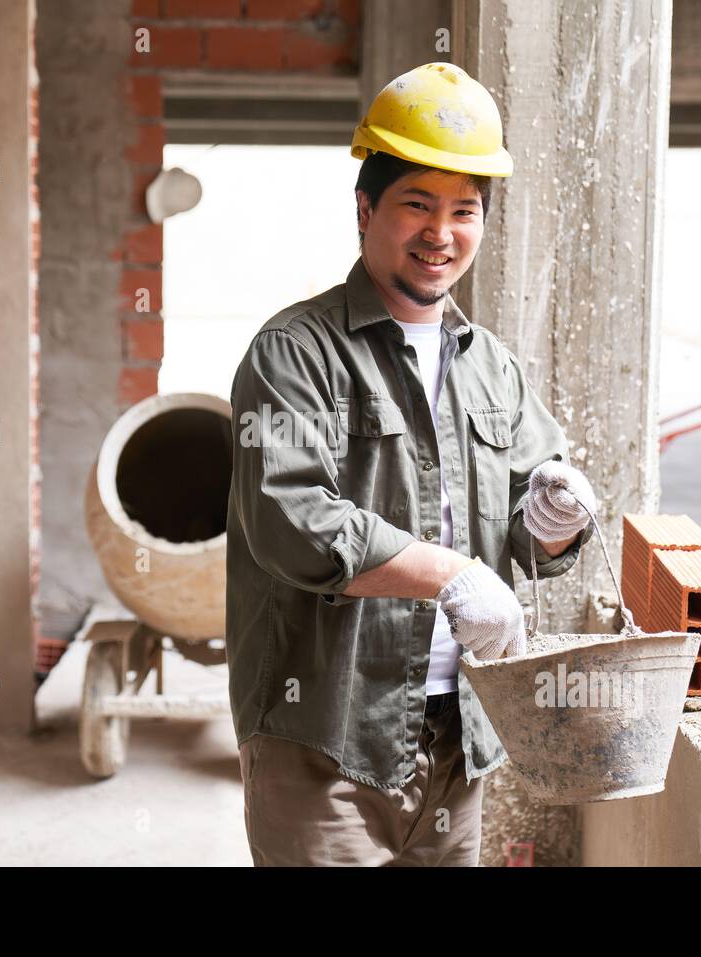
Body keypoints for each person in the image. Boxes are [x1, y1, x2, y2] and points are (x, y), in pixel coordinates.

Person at [225, 62, 598, 867]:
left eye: (464, 211)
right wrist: (451, 574)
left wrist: (555, 523)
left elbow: (528, 539)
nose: (441, 233)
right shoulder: (295, 352)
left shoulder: (491, 365)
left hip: (456, 736)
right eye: (417, 205)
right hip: (324, 735)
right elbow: (293, 522)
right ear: (366, 210)